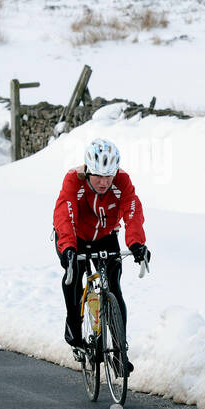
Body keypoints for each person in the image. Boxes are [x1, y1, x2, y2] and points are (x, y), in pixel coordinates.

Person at [52, 138, 150, 372]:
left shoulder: (122, 181)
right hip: (74, 236)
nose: (105, 182)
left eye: (109, 176)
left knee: (114, 288)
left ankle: (119, 353)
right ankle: (74, 327)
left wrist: (137, 243)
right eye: (98, 176)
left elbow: (132, 210)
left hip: (106, 235)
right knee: (74, 277)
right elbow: (65, 215)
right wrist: (68, 248)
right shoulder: (73, 180)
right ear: (88, 171)